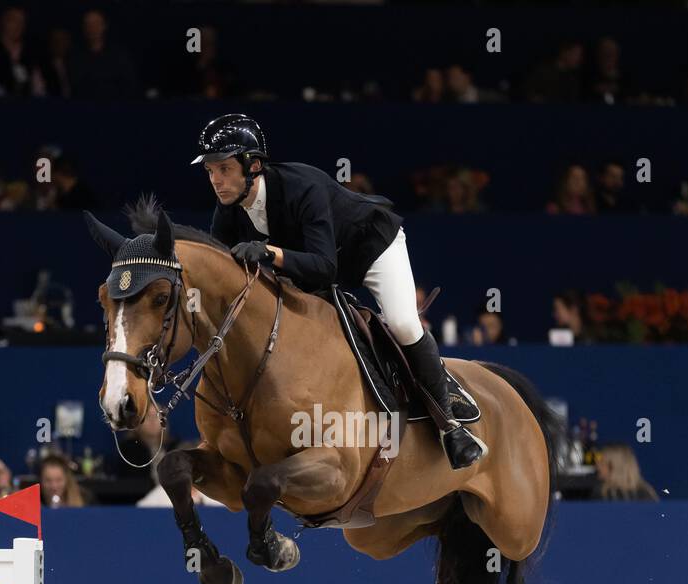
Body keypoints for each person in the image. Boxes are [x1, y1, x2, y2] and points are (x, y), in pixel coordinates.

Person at [194, 113, 484, 469]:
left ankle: (449, 426)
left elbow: (325, 265)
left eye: (223, 169)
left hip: (371, 247)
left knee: (404, 322)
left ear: (252, 165)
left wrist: (270, 253)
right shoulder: (227, 215)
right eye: (210, 171)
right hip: (314, 271)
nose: (216, 180)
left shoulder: (303, 187)